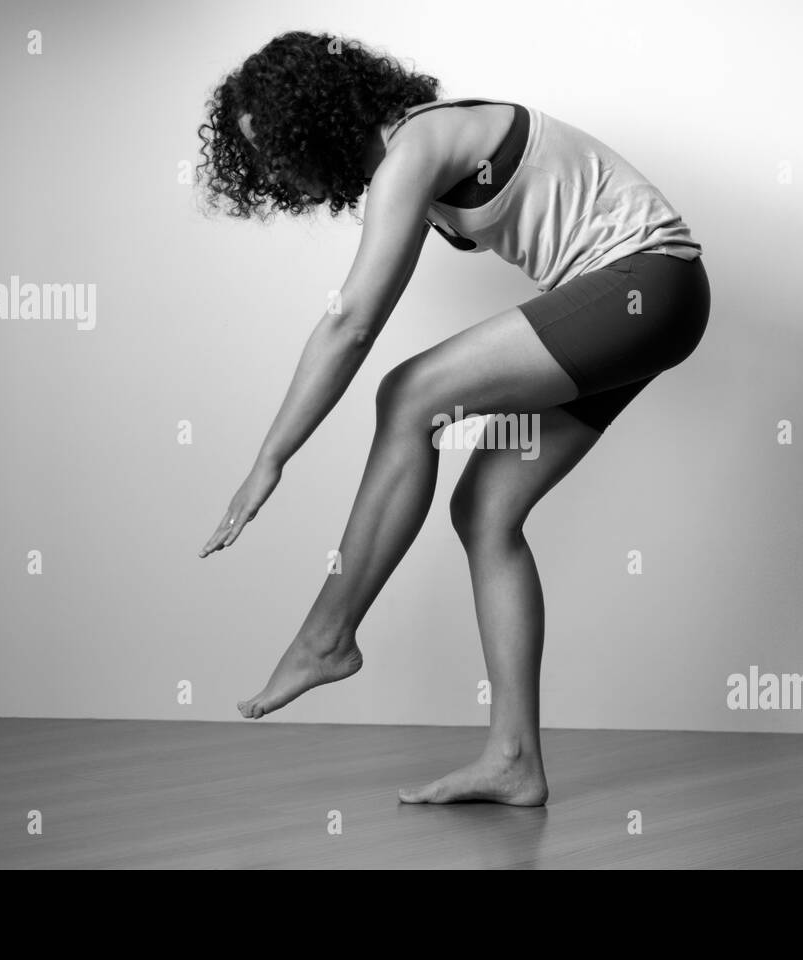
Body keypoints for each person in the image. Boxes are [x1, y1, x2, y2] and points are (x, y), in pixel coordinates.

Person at [195, 31, 710, 805]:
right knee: (485, 509)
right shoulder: (421, 147)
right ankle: (514, 762)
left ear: (313, 119)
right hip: (644, 303)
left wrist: (270, 457)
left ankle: (327, 636)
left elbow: (351, 323)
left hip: (648, 283)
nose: (273, 169)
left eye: (274, 146)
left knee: (407, 395)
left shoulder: (417, 148)